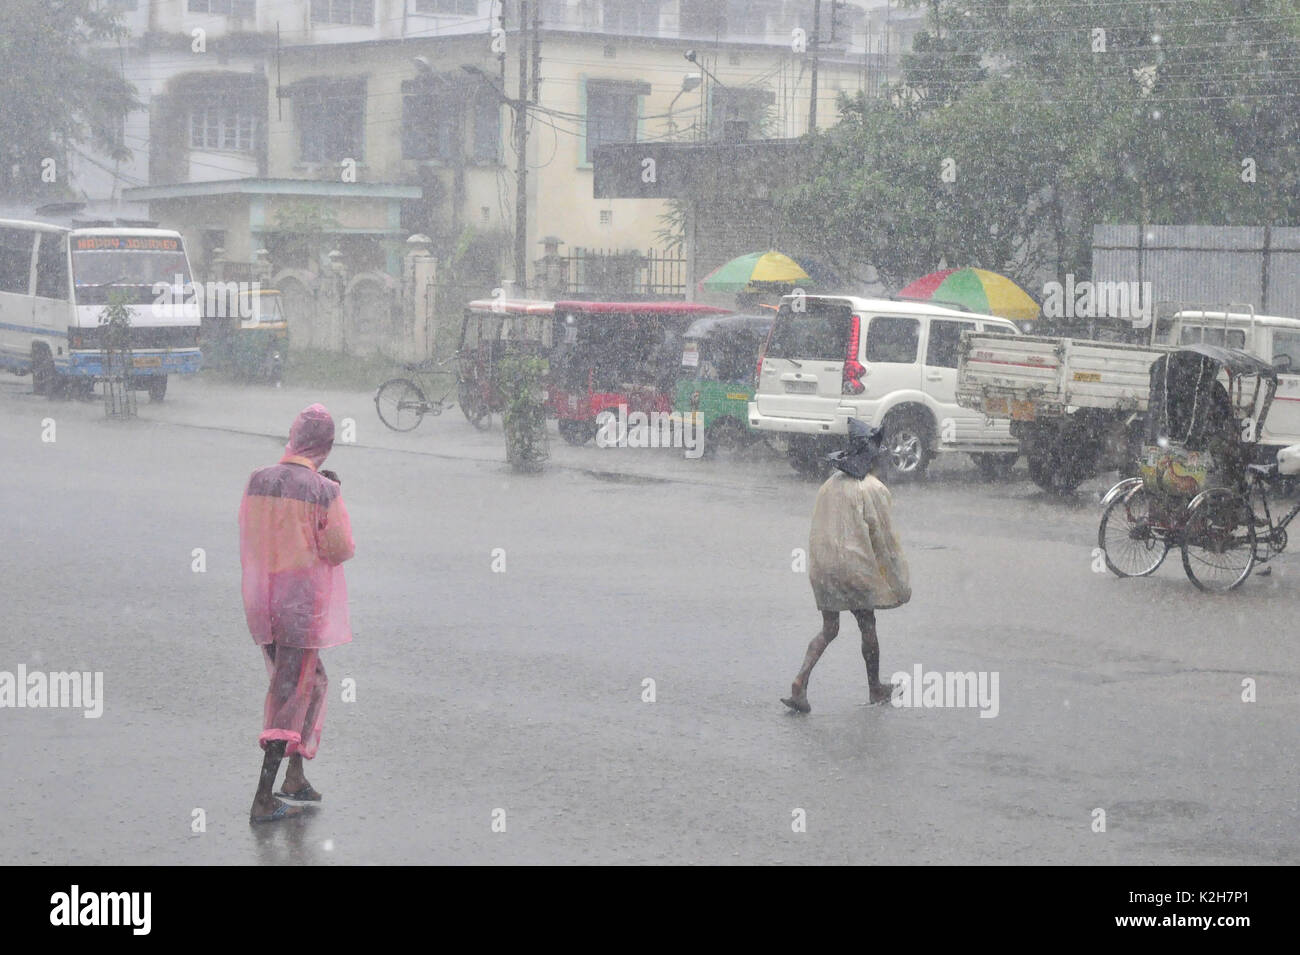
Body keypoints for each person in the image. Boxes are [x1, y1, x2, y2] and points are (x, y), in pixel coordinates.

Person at [239, 404, 355, 824]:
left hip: (263, 600)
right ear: (325, 445)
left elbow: (255, 532)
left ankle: (295, 775)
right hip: (299, 607)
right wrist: (331, 497)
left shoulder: (258, 480)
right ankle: (263, 798)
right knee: (291, 692)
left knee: (310, 683)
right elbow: (339, 549)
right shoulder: (323, 491)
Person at [782, 420, 911, 713]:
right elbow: (885, 541)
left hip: (823, 566)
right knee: (867, 625)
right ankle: (876, 688)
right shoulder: (872, 489)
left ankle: (800, 681)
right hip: (854, 568)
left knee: (829, 628)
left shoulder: (829, 485)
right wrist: (899, 584)